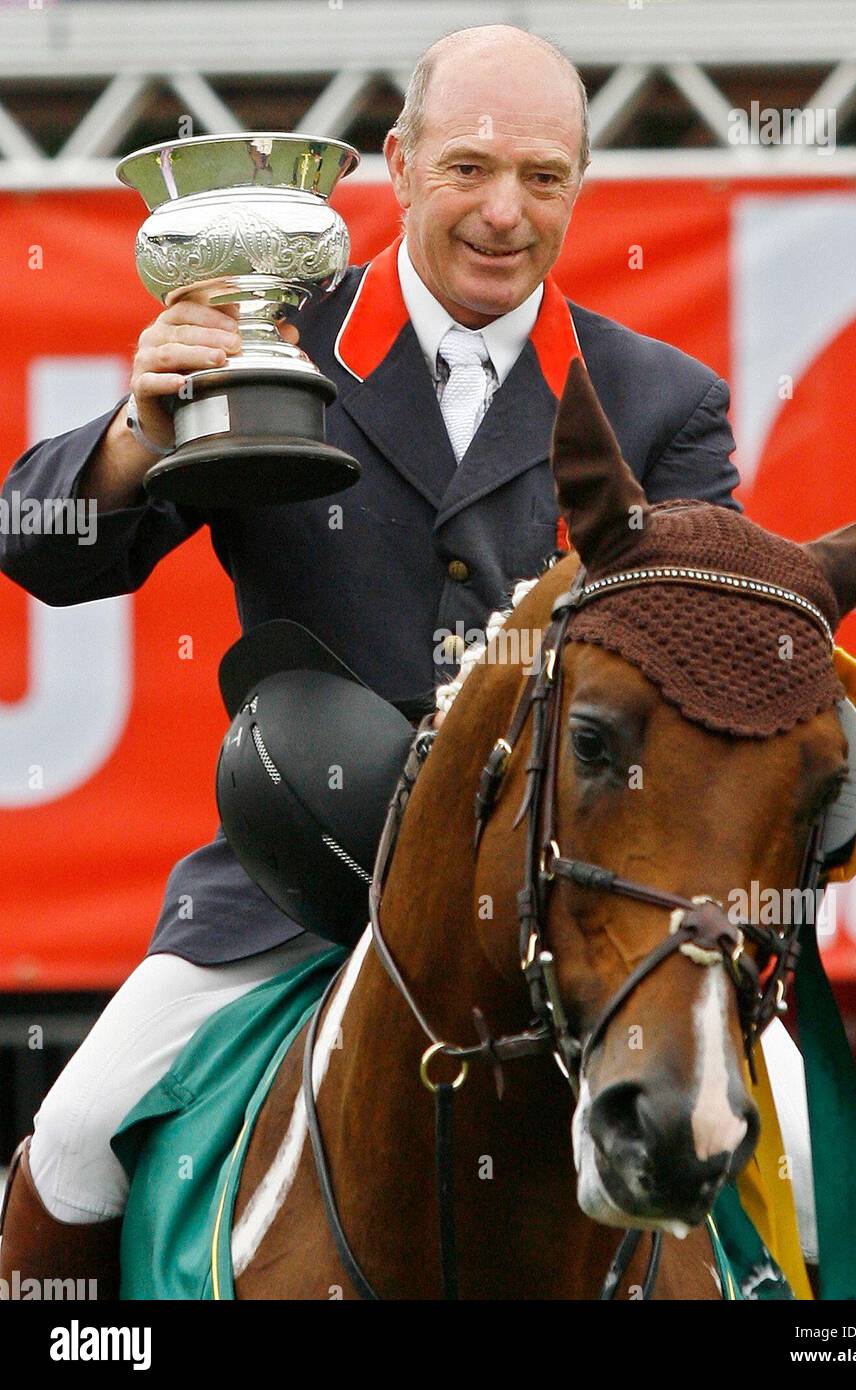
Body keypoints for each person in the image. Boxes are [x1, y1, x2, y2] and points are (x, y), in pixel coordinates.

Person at [0, 24, 739, 1295]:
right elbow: (41, 542)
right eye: (468, 168)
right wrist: (134, 430)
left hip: (570, 899)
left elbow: (706, 680)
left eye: (545, 178)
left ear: (580, 186)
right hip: (294, 882)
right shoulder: (260, 341)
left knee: (776, 1123)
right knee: (71, 1140)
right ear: (394, 166)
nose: (506, 212)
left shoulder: (662, 400)